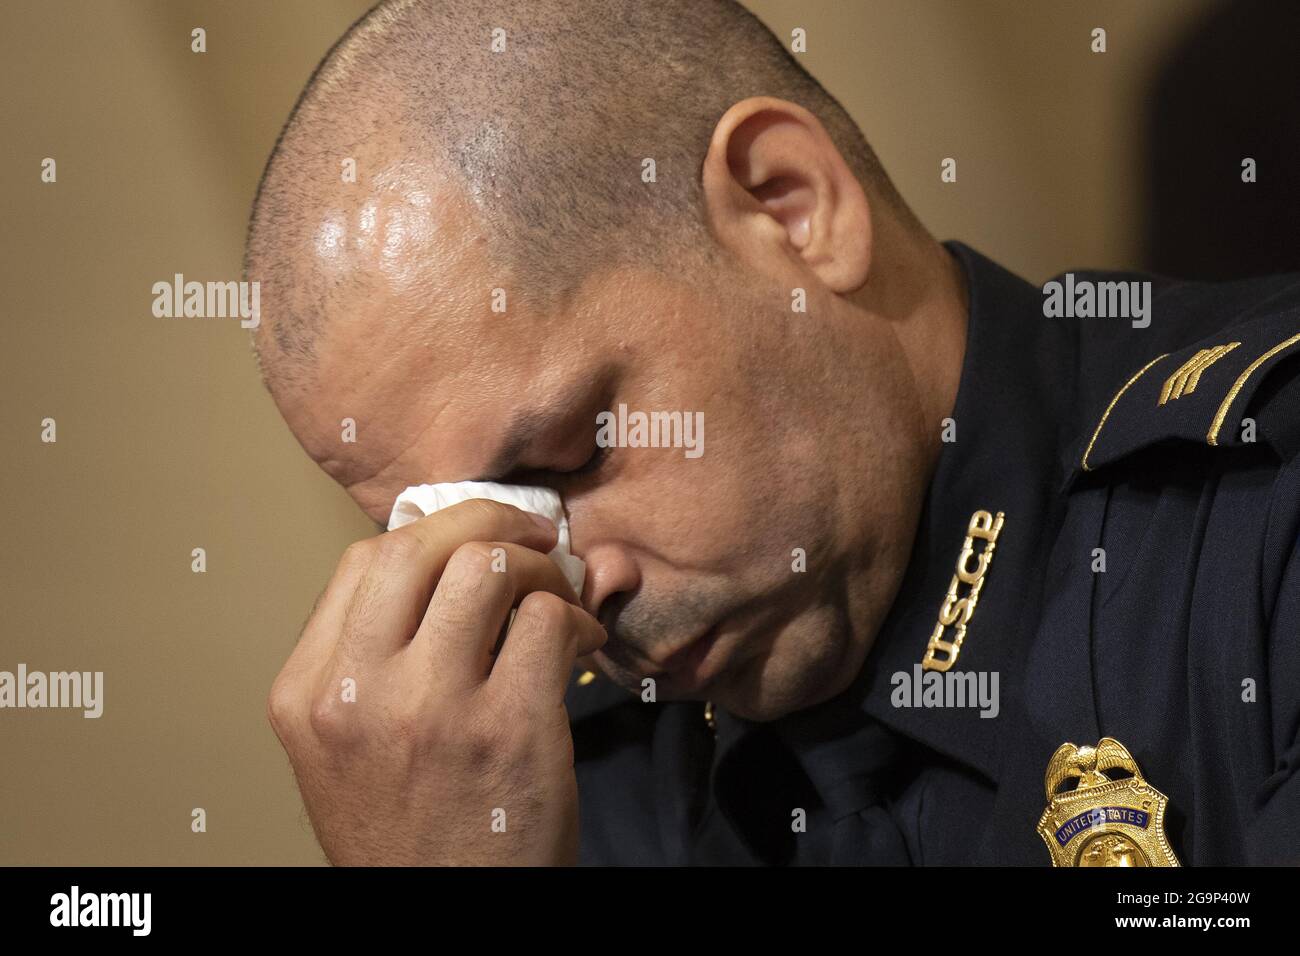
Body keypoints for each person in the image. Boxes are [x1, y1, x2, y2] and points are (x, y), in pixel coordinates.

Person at [248, 0, 1300, 865]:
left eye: (574, 455)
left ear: (789, 206)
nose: (575, 585)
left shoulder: (1260, 524)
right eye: (474, 534)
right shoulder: (539, 790)